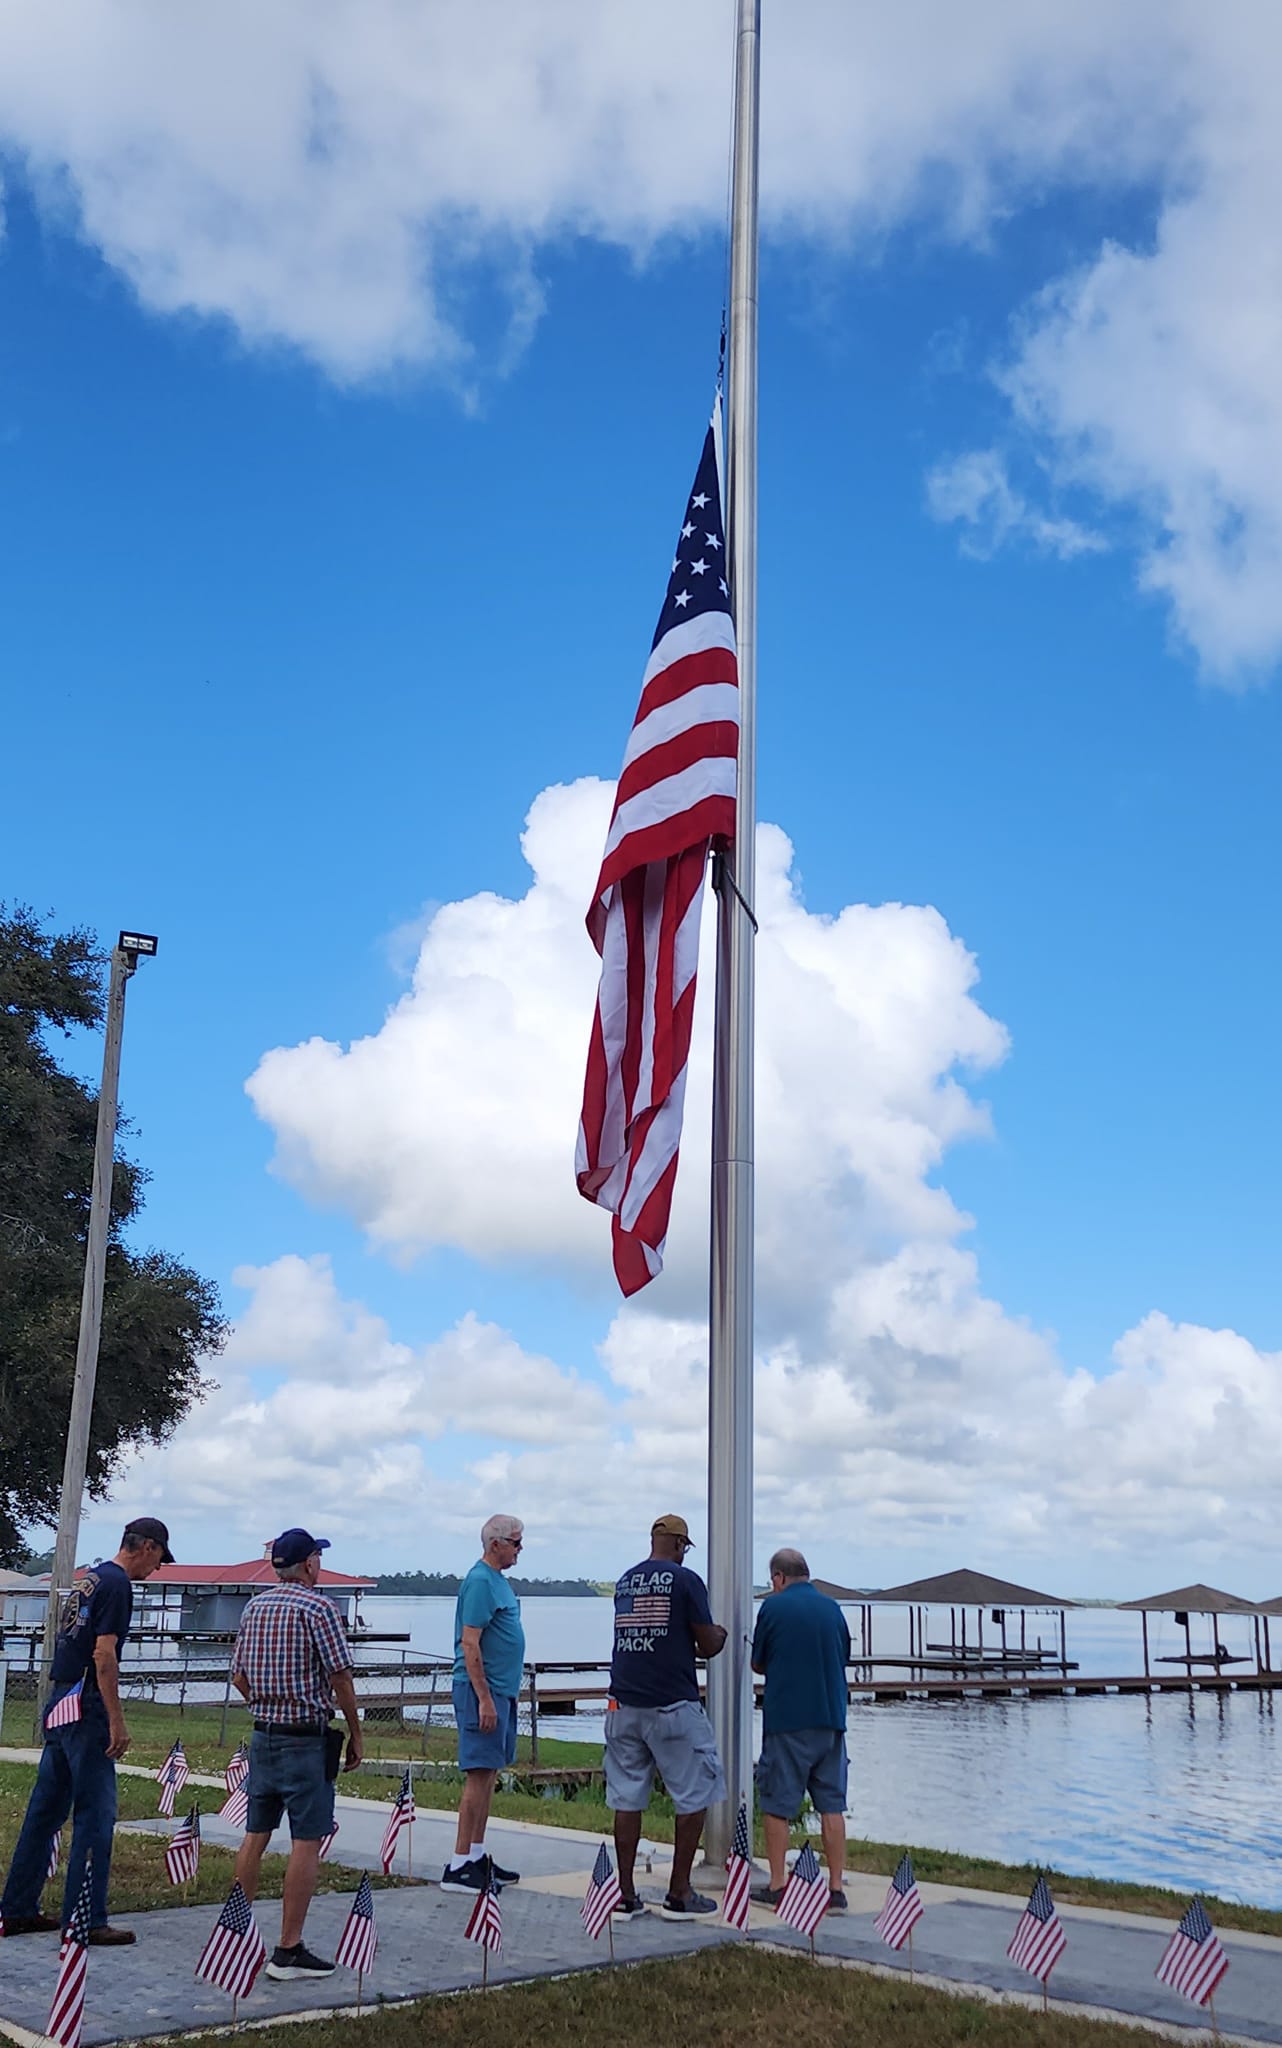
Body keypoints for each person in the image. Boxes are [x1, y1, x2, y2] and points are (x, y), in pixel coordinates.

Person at [0, 1516, 173, 1942]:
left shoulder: (90, 1580)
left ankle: (17, 1909)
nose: (156, 1568)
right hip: (87, 1704)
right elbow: (103, 1655)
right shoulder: (117, 1585)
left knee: (45, 1812)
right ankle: (86, 1918)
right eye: (158, 1559)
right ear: (147, 1547)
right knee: (96, 1814)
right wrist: (116, 1719)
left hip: (61, 1697)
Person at [229, 1527, 364, 1980]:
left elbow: (238, 1676)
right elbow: (340, 1676)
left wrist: (263, 1704)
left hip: (262, 1735)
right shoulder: (319, 1608)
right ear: (309, 1563)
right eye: (317, 1557)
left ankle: (236, 1934)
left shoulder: (254, 1607)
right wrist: (356, 1733)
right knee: (306, 1840)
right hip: (305, 1739)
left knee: (256, 1834)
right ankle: (288, 1948)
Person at [605, 1513, 727, 1921]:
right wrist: (721, 1634)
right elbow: (707, 1644)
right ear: (679, 1545)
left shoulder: (626, 1580)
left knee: (627, 1797)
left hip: (622, 1704)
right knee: (696, 1793)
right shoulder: (686, 1580)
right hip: (672, 1705)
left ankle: (624, 1893)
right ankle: (680, 1892)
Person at [750, 1547, 851, 1910]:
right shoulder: (833, 1608)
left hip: (787, 1722)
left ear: (778, 1577)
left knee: (777, 1805)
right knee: (832, 1806)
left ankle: (778, 1884)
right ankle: (835, 1888)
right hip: (831, 1720)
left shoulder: (773, 1608)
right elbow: (843, 1656)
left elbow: (758, 1663)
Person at [444, 1513, 527, 1896]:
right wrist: (484, 1699)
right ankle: (459, 1864)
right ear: (496, 1544)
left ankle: (476, 1855)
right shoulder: (479, 1581)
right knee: (478, 1774)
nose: (520, 1549)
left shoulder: (499, 1582)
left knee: (490, 1772)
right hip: (482, 1691)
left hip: (502, 1691)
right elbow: (470, 1642)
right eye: (516, 1542)